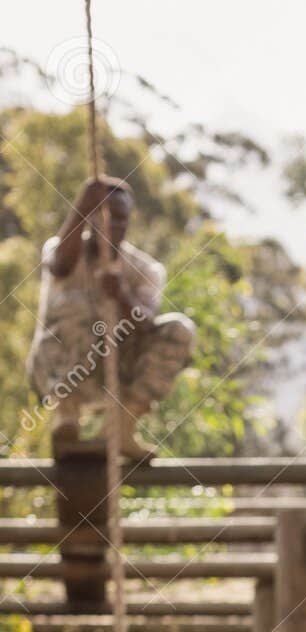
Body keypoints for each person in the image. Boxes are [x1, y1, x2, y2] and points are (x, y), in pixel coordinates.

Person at [27, 176, 196, 460]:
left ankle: (119, 430)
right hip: (57, 370)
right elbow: (59, 266)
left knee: (179, 328)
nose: (113, 226)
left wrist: (122, 295)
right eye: (104, 217)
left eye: (120, 219)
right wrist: (82, 204)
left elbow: (147, 323)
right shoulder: (63, 249)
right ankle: (66, 417)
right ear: (90, 218)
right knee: (78, 305)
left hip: (112, 373)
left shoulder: (145, 269)